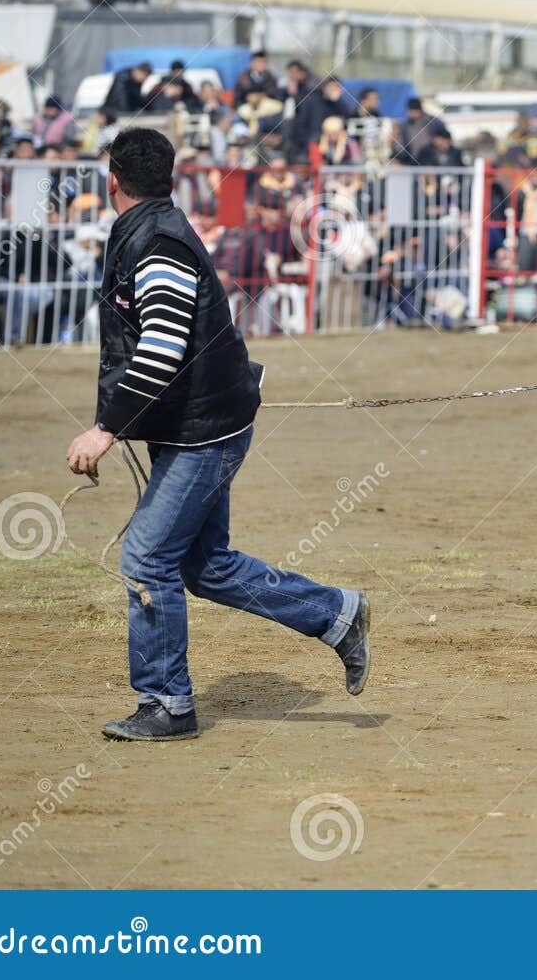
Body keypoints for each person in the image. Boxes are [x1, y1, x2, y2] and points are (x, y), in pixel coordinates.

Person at [63, 128, 370, 741]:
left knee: (147, 559)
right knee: (204, 567)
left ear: (113, 180)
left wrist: (106, 429)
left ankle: (168, 704)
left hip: (204, 431)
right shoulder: (153, 229)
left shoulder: (158, 242)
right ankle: (337, 614)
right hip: (199, 422)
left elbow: (163, 347)